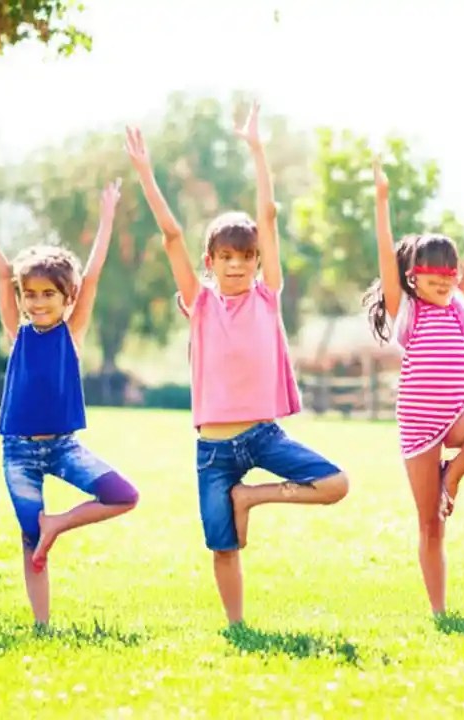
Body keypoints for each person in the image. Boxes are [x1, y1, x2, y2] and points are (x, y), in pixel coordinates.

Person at [125, 103, 348, 626]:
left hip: (264, 436)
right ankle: (238, 627)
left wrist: (257, 149)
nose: (236, 266)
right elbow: (172, 236)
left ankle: (251, 496)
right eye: (226, 257)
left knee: (336, 484)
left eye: (245, 257)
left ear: (256, 263)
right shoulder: (199, 305)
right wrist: (145, 174)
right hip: (213, 450)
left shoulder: (268, 296)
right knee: (223, 547)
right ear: (211, 263)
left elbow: (267, 217)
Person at [0, 180, 139, 626]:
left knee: (124, 496)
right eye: (30, 294)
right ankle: (42, 624)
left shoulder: (70, 334)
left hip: (64, 447)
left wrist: (108, 216)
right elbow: (3, 273)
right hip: (18, 450)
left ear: (66, 298)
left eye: (48, 294)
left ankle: (60, 524)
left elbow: (91, 274)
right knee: (30, 538)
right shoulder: (16, 334)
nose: (37, 303)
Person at [362, 153, 464, 615]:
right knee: (431, 524)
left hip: (457, 415)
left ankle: (454, 474)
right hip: (418, 425)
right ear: (414, 276)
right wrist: (382, 199)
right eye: (436, 273)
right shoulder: (407, 311)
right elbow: (387, 252)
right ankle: (440, 612)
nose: (447, 279)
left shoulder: (460, 306)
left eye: (451, 272)